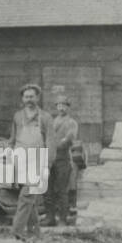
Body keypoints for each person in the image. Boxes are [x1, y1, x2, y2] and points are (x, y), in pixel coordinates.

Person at [8, 82, 52, 241]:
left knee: (26, 196)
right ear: (22, 99)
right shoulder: (18, 116)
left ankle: (17, 231)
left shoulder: (46, 117)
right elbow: (12, 139)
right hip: (21, 161)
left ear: (38, 98)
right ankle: (35, 233)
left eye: (32, 96)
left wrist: (48, 164)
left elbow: (51, 142)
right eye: (26, 97)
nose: (29, 100)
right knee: (30, 200)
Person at [45, 92, 79, 227]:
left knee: (62, 190)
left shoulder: (71, 123)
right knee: (48, 190)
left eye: (64, 105)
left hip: (63, 159)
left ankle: (63, 219)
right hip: (50, 159)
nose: (61, 108)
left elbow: (68, 140)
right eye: (59, 105)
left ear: (68, 107)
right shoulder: (52, 122)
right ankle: (50, 218)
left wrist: (53, 145)